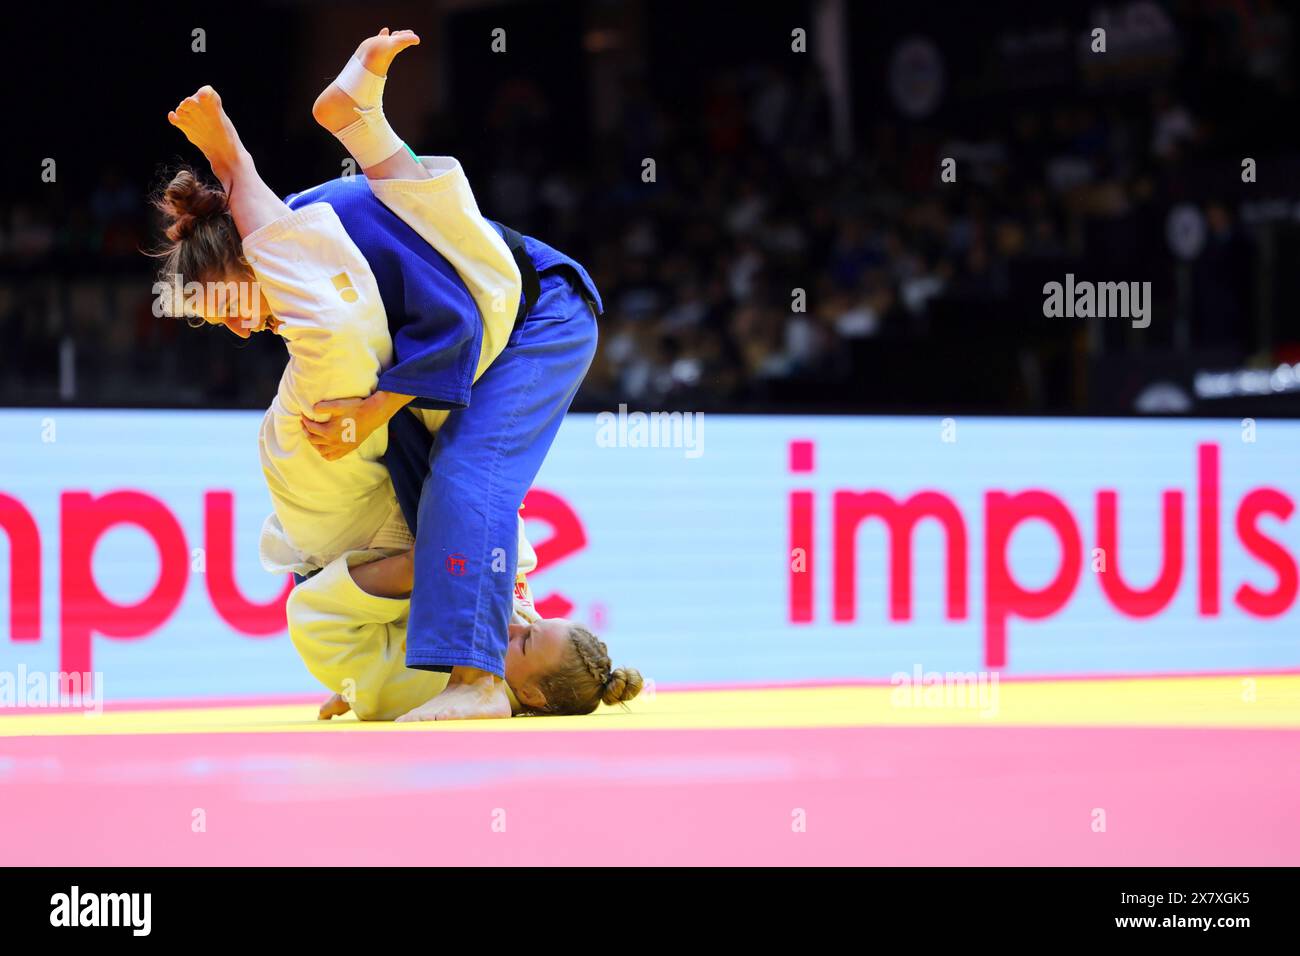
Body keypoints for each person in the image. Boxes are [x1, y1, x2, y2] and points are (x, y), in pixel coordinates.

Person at [155, 27, 628, 719]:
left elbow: (457, 326)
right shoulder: (301, 244)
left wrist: (373, 410)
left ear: (252, 262)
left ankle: (478, 683)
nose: (239, 327)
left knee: (469, 477)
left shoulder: (315, 250)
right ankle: (364, 126)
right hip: (480, 296)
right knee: (438, 477)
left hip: (540, 313)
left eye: (230, 304)